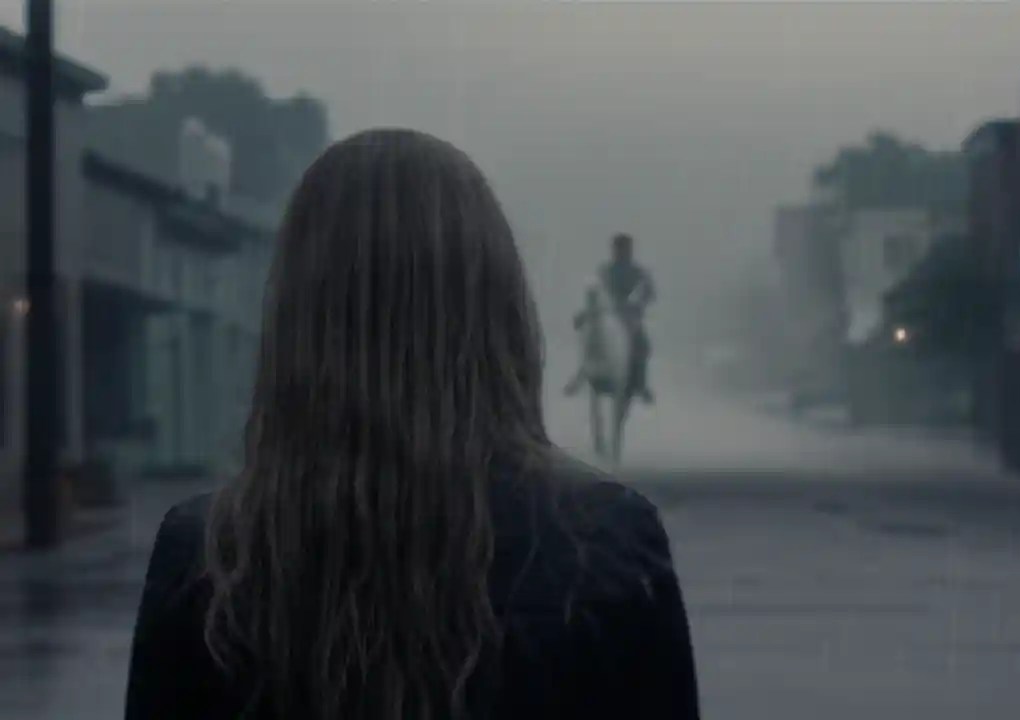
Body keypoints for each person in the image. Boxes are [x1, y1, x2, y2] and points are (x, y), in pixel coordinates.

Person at [124, 129, 699, 720]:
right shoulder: (610, 536)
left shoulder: (205, 550)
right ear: (498, 307)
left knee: (638, 342)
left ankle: (643, 377)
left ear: (297, 312)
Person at [564, 233, 656, 403]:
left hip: (628, 317)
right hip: (607, 312)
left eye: (624, 249)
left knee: (642, 344)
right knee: (590, 337)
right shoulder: (605, 271)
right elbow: (596, 295)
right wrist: (585, 313)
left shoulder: (638, 273)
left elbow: (650, 293)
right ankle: (581, 375)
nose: (620, 252)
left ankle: (641, 383)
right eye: (618, 249)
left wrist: (638, 305)